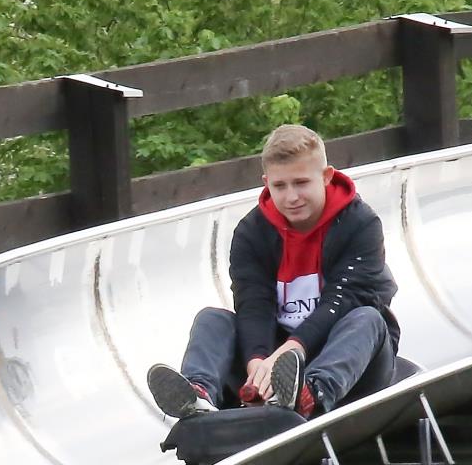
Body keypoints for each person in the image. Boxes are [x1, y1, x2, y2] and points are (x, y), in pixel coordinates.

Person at [147, 123, 399, 421]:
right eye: (279, 186)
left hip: (349, 359)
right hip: (274, 363)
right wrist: (256, 363)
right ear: (267, 183)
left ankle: (309, 395)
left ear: (326, 176)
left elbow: (345, 299)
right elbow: (253, 302)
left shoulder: (361, 224)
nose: (291, 197)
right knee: (212, 318)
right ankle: (199, 396)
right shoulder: (251, 232)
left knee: (367, 318)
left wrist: (290, 352)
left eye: (301, 183)